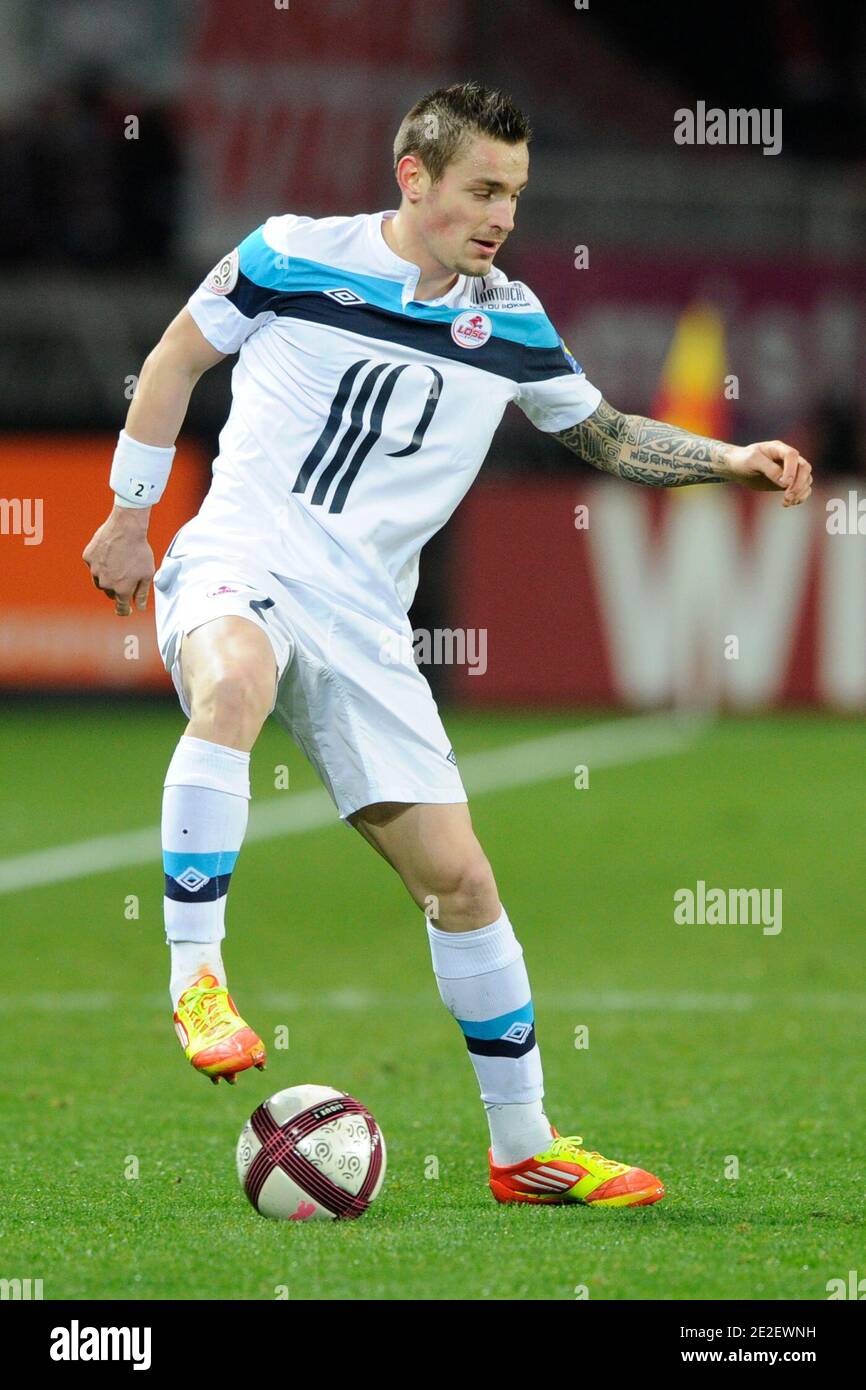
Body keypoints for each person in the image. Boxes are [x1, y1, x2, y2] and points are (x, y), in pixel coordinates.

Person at [83, 82, 812, 1211]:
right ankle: (198, 982)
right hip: (245, 555)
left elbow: (607, 434)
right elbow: (175, 360)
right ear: (410, 175)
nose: (499, 216)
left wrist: (727, 459)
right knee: (229, 684)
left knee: (462, 884)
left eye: (515, 196)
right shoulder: (287, 256)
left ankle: (522, 1150)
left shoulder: (509, 322)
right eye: (481, 190)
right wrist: (132, 514)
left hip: (369, 625)